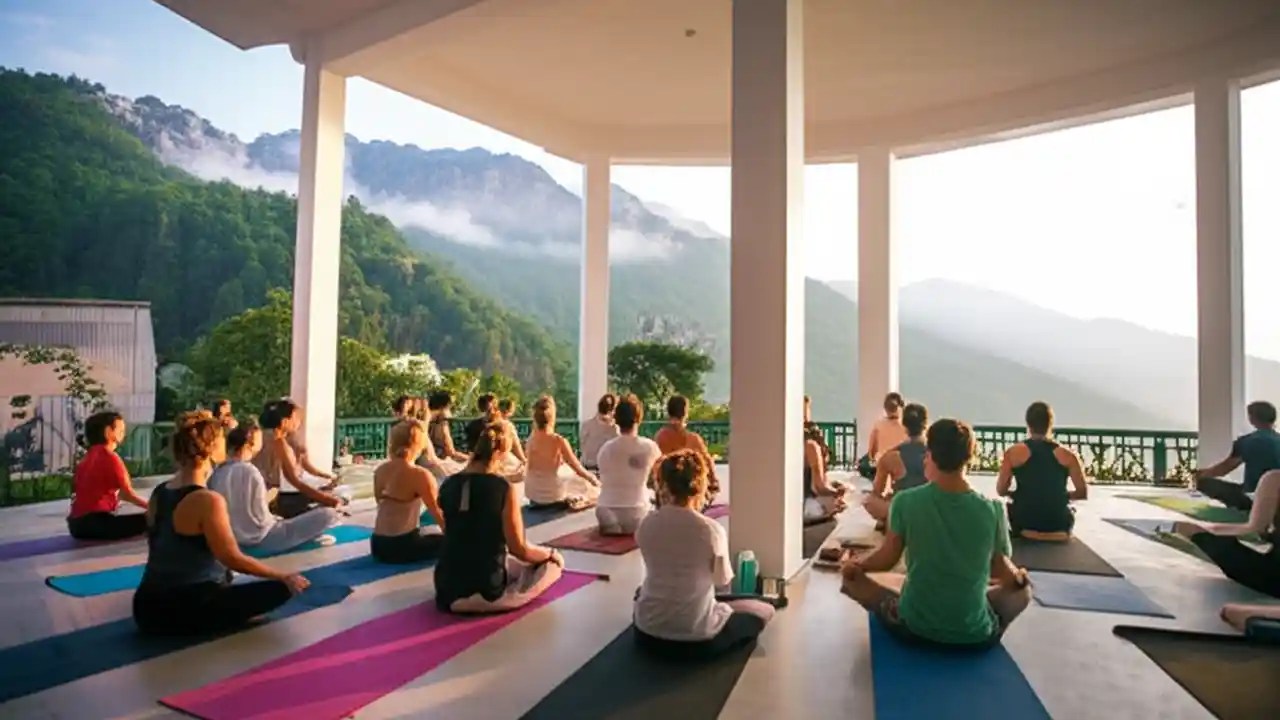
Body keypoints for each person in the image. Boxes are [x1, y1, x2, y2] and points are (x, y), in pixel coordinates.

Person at [839, 418, 1032, 649]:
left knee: (855, 582)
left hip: (915, 628)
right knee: (1023, 593)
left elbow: (886, 559)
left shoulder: (905, 501)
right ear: (969, 458)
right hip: (974, 637)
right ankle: (975, 619)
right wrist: (1019, 578)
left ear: (930, 455)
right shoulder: (992, 509)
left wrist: (857, 566)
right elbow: (1002, 571)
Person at [132, 411, 309, 635]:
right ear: (213, 448)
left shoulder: (159, 492)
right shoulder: (208, 500)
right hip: (183, 607)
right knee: (282, 589)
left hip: (145, 606)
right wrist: (282, 576)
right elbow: (232, 558)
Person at [634, 449, 775, 659]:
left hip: (647, 635)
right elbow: (721, 582)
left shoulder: (646, 525)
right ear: (700, 486)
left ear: (662, 484)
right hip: (698, 642)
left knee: (641, 592)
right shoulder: (709, 530)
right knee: (765, 610)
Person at [434, 420, 565, 613]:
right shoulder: (502, 488)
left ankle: (464, 599)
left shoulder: (448, 484)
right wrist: (551, 554)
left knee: (503, 562)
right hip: (486, 587)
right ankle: (483, 601)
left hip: (445, 586)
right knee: (551, 567)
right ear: (501, 453)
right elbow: (518, 549)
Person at [208, 423, 341, 555]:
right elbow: (260, 521)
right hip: (262, 539)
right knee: (328, 514)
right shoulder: (251, 471)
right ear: (250, 443)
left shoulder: (218, 473)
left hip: (233, 539)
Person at [1174, 468, 1280, 598]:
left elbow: (1254, 528)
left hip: (1273, 577)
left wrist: (1202, 530)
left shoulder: (1274, 479)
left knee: (1208, 541)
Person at [996, 402, 1088, 539]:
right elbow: (1082, 492)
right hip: (1058, 523)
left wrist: (1017, 495)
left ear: (1028, 424)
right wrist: (1060, 496)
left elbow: (1001, 490)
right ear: (1050, 424)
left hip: (1024, 522)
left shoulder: (1013, 453)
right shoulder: (1067, 455)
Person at [253, 399, 346, 519]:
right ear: (285, 421)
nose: (299, 422)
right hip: (273, 497)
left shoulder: (261, 437)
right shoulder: (279, 443)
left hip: (268, 494)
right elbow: (294, 481)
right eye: (296, 418)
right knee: (339, 499)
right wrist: (328, 499)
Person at [371, 419, 446, 563]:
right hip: (402, 545)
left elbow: (379, 503)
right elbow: (437, 513)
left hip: (377, 544)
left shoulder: (380, 471)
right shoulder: (420, 475)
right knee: (446, 541)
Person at [67, 411, 150, 540]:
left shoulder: (86, 458)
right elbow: (126, 494)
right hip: (97, 523)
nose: (124, 433)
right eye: (120, 429)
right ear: (108, 432)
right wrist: (154, 508)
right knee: (153, 520)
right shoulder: (109, 457)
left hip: (76, 526)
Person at [1194, 401, 1280, 512]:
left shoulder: (1247, 441)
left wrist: (1201, 474)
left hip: (1254, 497)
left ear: (1252, 419)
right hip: (1277, 496)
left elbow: (1223, 469)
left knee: (1204, 482)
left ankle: (1242, 510)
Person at [596, 395, 662, 535]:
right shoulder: (650, 447)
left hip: (606, 511)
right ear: (639, 418)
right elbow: (660, 480)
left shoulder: (605, 449)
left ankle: (613, 526)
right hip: (638, 511)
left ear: (616, 420)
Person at [525, 396, 600, 510]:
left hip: (533, 496)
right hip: (552, 497)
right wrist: (594, 479)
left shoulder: (530, 440)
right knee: (582, 486)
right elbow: (578, 469)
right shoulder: (558, 441)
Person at [865, 403, 930, 524]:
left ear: (903, 425)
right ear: (926, 424)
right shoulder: (937, 454)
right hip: (930, 510)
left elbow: (877, 492)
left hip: (903, 511)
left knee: (870, 500)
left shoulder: (891, 456)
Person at [654, 395, 721, 504]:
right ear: (685, 413)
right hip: (691, 500)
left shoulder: (659, 438)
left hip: (665, 499)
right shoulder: (694, 440)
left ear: (668, 412)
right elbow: (709, 467)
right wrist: (714, 484)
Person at [804, 421, 848, 523]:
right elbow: (819, 487)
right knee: (840, 509)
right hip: (805, 506)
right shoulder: (811, 446)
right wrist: (838, 492)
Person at [861, 392, 908, 479]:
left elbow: (872, 451)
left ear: (885, 409)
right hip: (903, 468)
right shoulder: (907, 427)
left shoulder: (878, 425)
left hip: (883, 466)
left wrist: (873, 459)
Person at [579, 393, 620, 471]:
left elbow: (582, 446)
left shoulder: (586, 425)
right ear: (613, 411)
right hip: (605, 471)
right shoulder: (615, 430)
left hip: (586, 469)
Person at [427, 390, 470, 464]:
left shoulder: (429, 422)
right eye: (449, 407)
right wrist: (471, 459)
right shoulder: (441, 423)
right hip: (444, 462)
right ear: (443, 407)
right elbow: (451, 453)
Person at [496, 398, 528, 483]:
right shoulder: (508, 426)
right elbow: (516, 446)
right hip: (503, 459)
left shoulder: (488, 421)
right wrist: (524, 460)